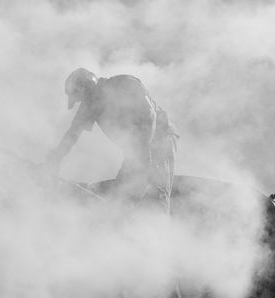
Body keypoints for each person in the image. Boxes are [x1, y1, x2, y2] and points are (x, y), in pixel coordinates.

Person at [46, 68, 179, 212]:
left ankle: (158, 227)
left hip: (160, 139)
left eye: (80, 98)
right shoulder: (90, 106)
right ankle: (125, 227)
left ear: (87, 88)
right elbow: (72, 134)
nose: (81, 103)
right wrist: (55, 158)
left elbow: (150, 115)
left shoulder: (124, 84)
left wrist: (143, 153)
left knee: (156, 192)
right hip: (135, 151)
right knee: (120, 195)